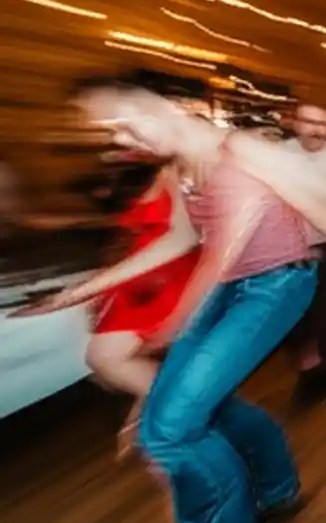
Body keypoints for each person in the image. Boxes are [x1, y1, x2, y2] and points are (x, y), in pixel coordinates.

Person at [20, 78, 322, 523]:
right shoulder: (177, 168)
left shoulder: (236, 154)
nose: (119, 141)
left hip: (277, 283)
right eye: (109, 133)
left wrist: (175, 324)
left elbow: (217, 258)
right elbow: (179, 240)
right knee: (196, 410)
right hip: (231, 287)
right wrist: (76, 292)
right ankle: (277, 486)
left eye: (121, 125)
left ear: (163, 105)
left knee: (169, 431)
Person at [15, 160, 200, 458]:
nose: (120, 139)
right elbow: (121, 233)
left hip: (167, 274)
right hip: (138, 273)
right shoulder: (135, 174)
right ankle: (166, 412)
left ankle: (178, 413)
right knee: (101, 362)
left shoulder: (176, 169)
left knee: (104, 358)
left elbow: (182, 236)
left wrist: (82, 291)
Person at [284, 103, 326, 402]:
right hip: (290, 246)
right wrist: (293, 245)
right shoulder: (279, 155)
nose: (316, 130)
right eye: (310, 122)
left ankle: (323, 366)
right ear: (295, 123)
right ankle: (311, 369)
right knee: (297, 314)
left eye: (323, 124)